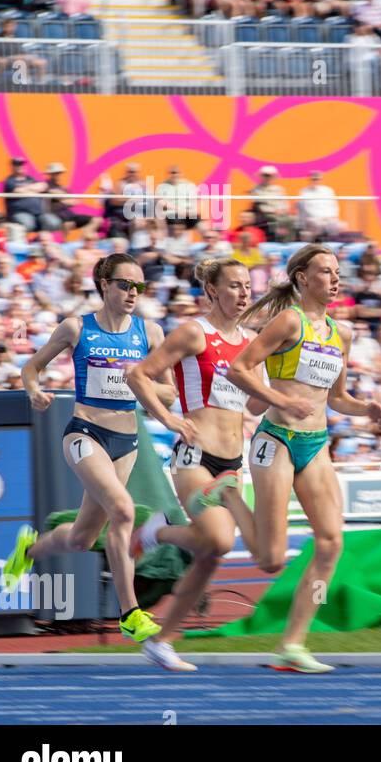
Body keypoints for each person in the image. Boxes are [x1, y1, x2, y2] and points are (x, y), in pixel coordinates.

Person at [225, 244, 381, 673]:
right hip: (276, 439)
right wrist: (280, 399)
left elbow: (337, 398)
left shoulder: (343, 333)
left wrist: (367, 409)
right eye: (325, 272)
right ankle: (226, 495)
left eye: (337, 272)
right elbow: (239, 370)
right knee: (271, 559)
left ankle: (293, 645)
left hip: (315, 442)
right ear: (302, 278)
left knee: (331, 543)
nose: (335, 280)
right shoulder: (288, 321)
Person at [5, 254, 178, 644]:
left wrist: (139, 382)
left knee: (83, 538)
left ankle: (29, 550)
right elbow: (31, 367)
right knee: (124, 509)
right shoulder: (76, 328)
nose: (133, 292)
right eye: (124, 284)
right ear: (103, 284)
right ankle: (130, 613)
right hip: (84, 434)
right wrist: (34, 391)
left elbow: (167, 389)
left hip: (127, 441)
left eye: (139, 286)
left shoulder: (149, 333)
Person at [125, 258, 267, 671]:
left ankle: (163, 641)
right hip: (195, 456)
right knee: (219, 541)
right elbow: (138, 375)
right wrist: (167, 418)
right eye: (235, 286)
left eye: (247, 286)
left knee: (210, 553)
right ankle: (158, 532)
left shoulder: (252, 342)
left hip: (232, 461)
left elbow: (254, 404)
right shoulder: (194, 333)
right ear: (211, 291)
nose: (243, 294)